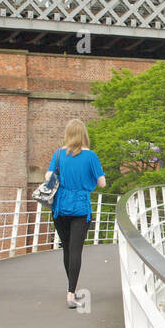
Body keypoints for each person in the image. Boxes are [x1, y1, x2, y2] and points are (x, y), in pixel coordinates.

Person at [45, 119, 106, 308]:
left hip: (61, 206)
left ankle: (71, 289)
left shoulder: (58, 155)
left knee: (66, 248)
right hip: (80, 207)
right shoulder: (91, 157)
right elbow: (102, 183)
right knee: (76, 250)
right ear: (84, 135)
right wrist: (87, 182)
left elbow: (48, 176)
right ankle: (71, 293)